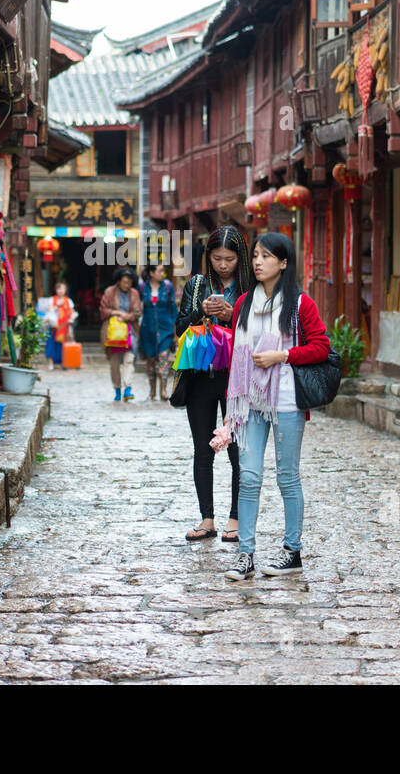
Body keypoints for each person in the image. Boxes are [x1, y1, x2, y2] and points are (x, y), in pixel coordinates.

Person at [217, 231, 330, 580]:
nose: (258, 262)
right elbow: (238, 358)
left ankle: (292, 551)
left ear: (283, 262)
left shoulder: (300, 304)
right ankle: (245, 555)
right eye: (255, 256)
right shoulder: (243, 304)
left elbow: (322, 347)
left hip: (286, 402)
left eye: (266, 256)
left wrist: (283, 355)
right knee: (248, 477)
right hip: (250, 404)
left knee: (287, 478)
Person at [178, 226, 252, 543]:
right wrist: (201, 311)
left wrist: (231, 313)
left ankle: (235, 518)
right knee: (202, 450)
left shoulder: (251, 287)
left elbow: (261, 330)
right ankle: (207, 519)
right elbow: (179, 326)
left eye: (230, 259)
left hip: (237, 379)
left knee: (238, 451)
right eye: (217, 258)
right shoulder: (196, 285)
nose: (223, 265)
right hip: (201, 375)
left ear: (241, 259)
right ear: (208, 257)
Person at [100, 267, 142, 401]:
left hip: (130, 332)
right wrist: (117, 313)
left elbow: (137, 312)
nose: (127, 285)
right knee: (114, 362)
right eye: (124, 282)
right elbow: (103, 309)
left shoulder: (134, 293)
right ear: (118, 281)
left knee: (129, 359)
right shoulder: (109, 292)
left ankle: (128, 388)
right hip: (113, 333)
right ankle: (117, 389)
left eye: (129, 282)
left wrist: (127, 317)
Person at [139, 264, 177, 400]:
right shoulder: (143, 288)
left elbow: (173, 307)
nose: (163, 274)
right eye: (160, 271)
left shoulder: (167, 287)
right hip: (147, 330)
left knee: (163, 360)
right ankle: (152, 391)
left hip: (165, 330)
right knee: (150, 362)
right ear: (151, 273)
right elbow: (139, 307)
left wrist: (174, 327)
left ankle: (163, 390)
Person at [44, 280, 76, 371]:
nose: (60, 290)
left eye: (62, 288)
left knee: (61, 345)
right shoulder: (52, 300)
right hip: (54, 326)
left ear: (65, 290)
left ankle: (60, 362)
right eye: (59, 288)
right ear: (56, 290)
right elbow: (50, 311)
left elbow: (72, 312)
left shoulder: (68, 301)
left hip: (64, 326)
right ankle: (50, 362)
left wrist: (72, 318)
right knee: (51, 344)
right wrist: (57, 306)